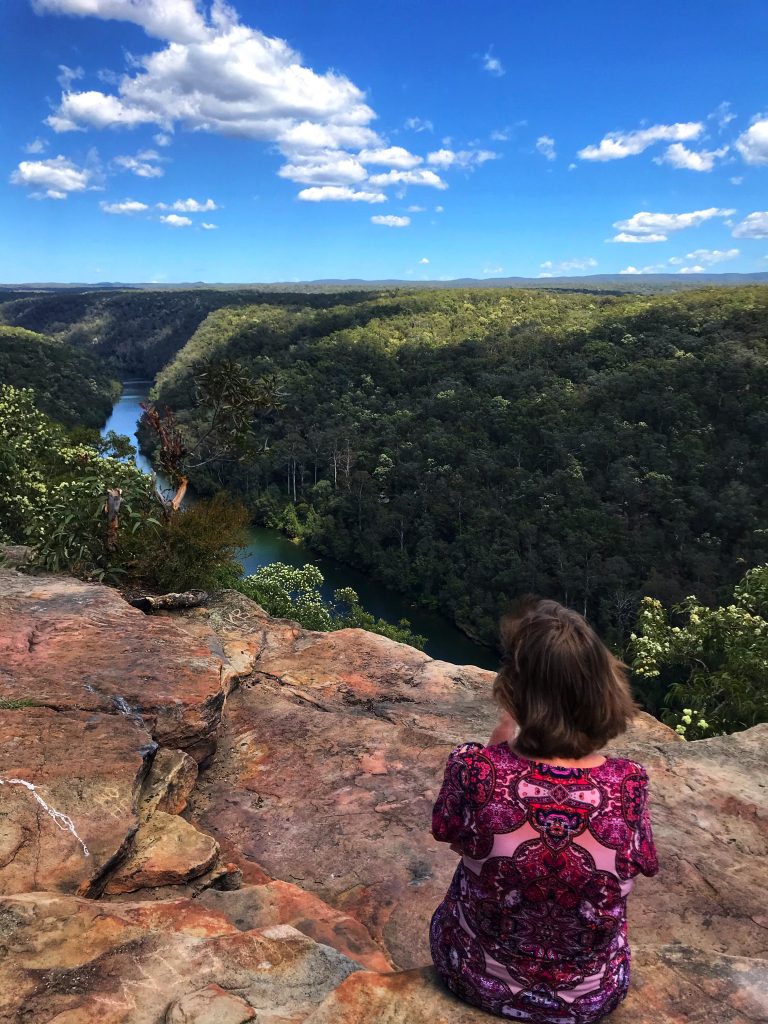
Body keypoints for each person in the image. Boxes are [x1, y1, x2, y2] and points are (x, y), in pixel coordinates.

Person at [430, 597, 658, 1022]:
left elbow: (448, 830)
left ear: (513, 693)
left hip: (473, 977)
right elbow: (642, 862)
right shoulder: (629, 783)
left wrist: (499, 747)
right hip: (592, 997)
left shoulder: (475, 768)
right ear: (603, 689)